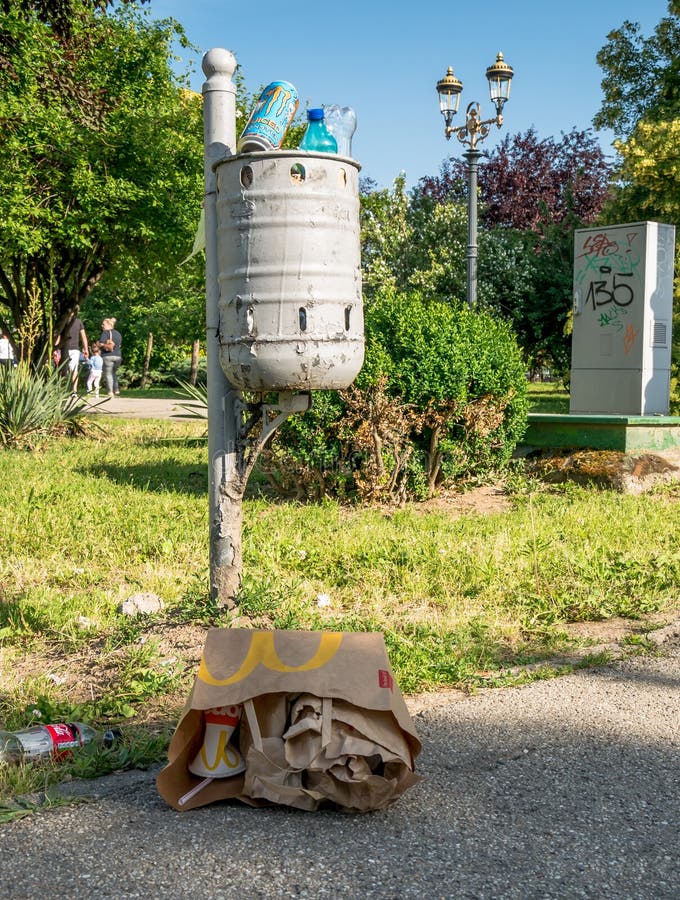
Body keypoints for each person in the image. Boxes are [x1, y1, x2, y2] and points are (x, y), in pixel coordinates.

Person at [55, 311, 89, 393]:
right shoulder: (78, 321)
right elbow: (83, 336)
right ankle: (74, 391)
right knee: (74, 370)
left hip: (62, 348)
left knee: (60, 368)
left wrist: (55, 348)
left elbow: (58, 335)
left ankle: (59, 389)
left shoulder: (63, 321)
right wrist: (86, 349)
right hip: (75, 349)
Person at [99, 317, 122, 397]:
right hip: (118, 356)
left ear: (109, 325)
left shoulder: (105, 333)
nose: (102, 326)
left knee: (108, 374)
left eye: (103, 324)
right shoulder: (118, 333)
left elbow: (101, 343)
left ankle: (110, 392)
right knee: (113, 373)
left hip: (107, 356)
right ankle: (116, 389)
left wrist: (99, 344)